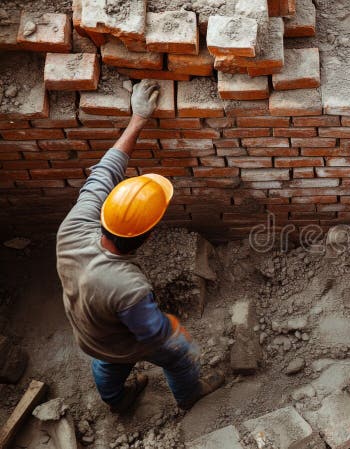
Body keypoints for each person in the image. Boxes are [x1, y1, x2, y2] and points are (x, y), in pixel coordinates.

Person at [56, 79, 222, 413]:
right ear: (147, 236)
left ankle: (116, 400)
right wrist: (180, 335)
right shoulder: (128, 288)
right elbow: (152, 332)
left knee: (105, 366)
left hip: (90, 335)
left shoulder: (73, 228)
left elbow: (106, 171)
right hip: (121, 343)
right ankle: (189, 396)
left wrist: (138, 119)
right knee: (176, 358)